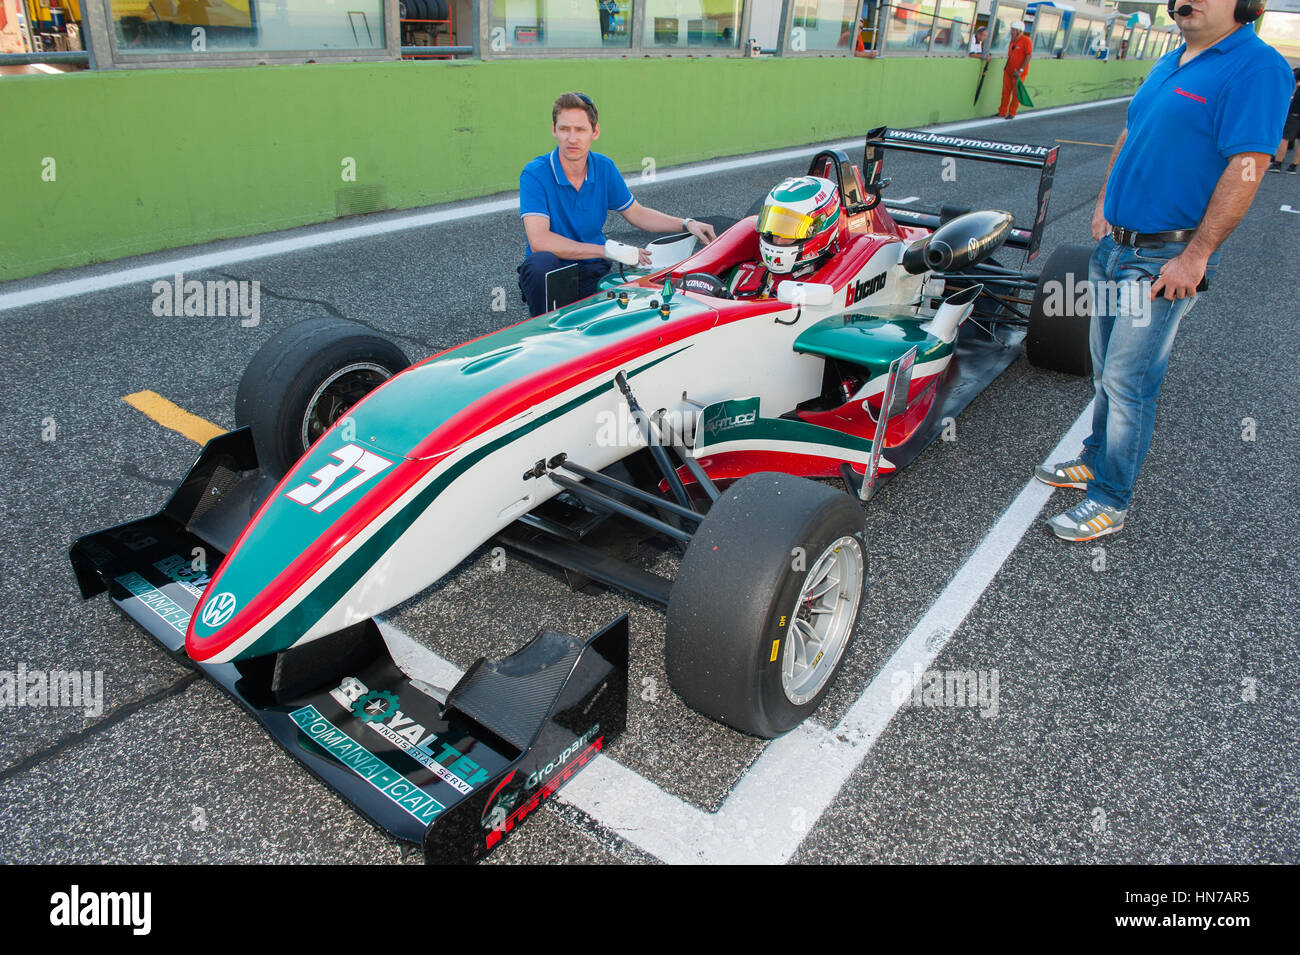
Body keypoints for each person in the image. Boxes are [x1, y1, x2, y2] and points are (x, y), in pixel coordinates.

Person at [1033, 0, 1295, 541]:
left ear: (1247, 5)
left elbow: (1248, 166)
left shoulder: (1257, 67)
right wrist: (1106, 198)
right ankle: (1092, 457)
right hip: (1115, 249)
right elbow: (1132, 134)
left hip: (1161, 260)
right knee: (1106, 371)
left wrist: (1195, 256)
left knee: (1129, 382)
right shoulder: (1170, 60)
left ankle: (1110, 498)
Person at [517, 92, 716, 317]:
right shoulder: (535, 173)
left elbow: (637, 213)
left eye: (580, 129)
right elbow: (539, 240)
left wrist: (687, 224)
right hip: (554, 267)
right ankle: (542, 333)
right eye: (565, 129)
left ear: (595, 132)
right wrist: (608, 250)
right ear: (554, 130)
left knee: (606, 317)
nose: (572, 138)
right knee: (539, 264)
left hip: (592, 265)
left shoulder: (604, 167)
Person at [721, 176, 844, 299]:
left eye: (789, 233)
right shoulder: (742, 274)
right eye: (774, 228)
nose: (777, 241)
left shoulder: (826, 288)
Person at [1267, 67, 1300, 173]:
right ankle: (1293, 166)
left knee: (1285, 137)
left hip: (1296, 110)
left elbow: (1293, 79)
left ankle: (1277, 163)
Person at [998, 20, 1032, 119]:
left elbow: (1028, 55)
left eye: (1013, 30)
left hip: (1018, 73)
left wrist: (1021, 70)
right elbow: (1011, 55)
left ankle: (1012, 113)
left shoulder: (1026, 40)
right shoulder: (1012, 41)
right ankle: (1002, 112)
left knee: (1015, 93)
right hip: (1009, 71)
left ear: (1019, 31)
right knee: (1005, 92)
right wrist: (1006, 67)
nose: (1011, 32)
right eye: (1011, 30)